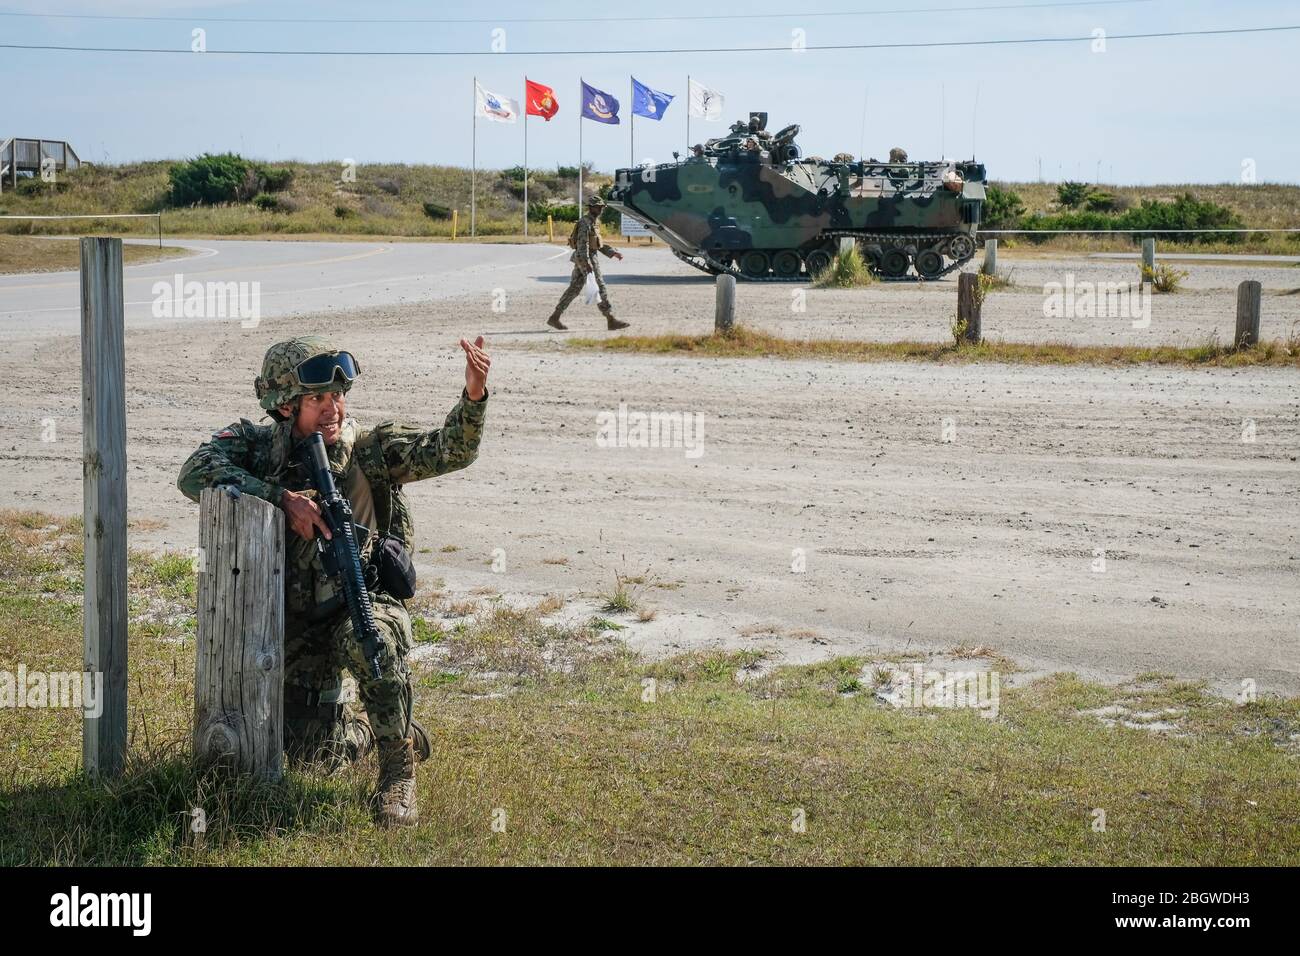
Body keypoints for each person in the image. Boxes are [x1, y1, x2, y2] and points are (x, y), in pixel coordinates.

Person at [177, 335, 490, 827]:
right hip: (293, 619)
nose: (332, 409)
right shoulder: (257, 446)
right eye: (316, 399)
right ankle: (370, 732)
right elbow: (194, 473)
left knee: (377, 644)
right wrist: (281, 499)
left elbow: (450, 449)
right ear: (285, 406)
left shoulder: (370, 448)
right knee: (311, 755)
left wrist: (472, 396)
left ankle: (397, 774)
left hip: (360, 603)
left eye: (337, 396)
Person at [546, 196, 629, 331]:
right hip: (585, 259)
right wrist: (586, 263)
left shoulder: (594, 222)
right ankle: (610, 319)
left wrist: (612, 252)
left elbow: (597, 243)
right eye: (598, 207)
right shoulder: (585, 222)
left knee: (574, 288)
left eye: (602, 207)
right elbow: (582, 244)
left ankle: (554, 318)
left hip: (585, 258)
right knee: (600, 286)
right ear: (591, 208)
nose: (601, 209)